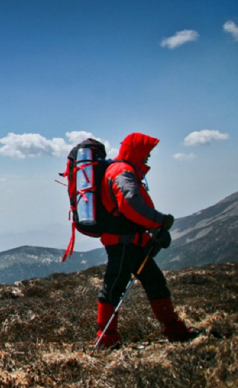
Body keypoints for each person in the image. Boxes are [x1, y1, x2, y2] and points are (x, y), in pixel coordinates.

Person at [95, 132, 199, 348]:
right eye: (146, 154)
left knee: (155, 284)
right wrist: (159, 222)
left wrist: (153, 228)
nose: (148, 159)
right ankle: (106, 338)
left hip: (130, 242)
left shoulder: (121, 169)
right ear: (136, 151)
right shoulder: (122, 171)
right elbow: (129, 203)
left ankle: (175, 330)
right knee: (114, 288)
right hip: (124, 243)